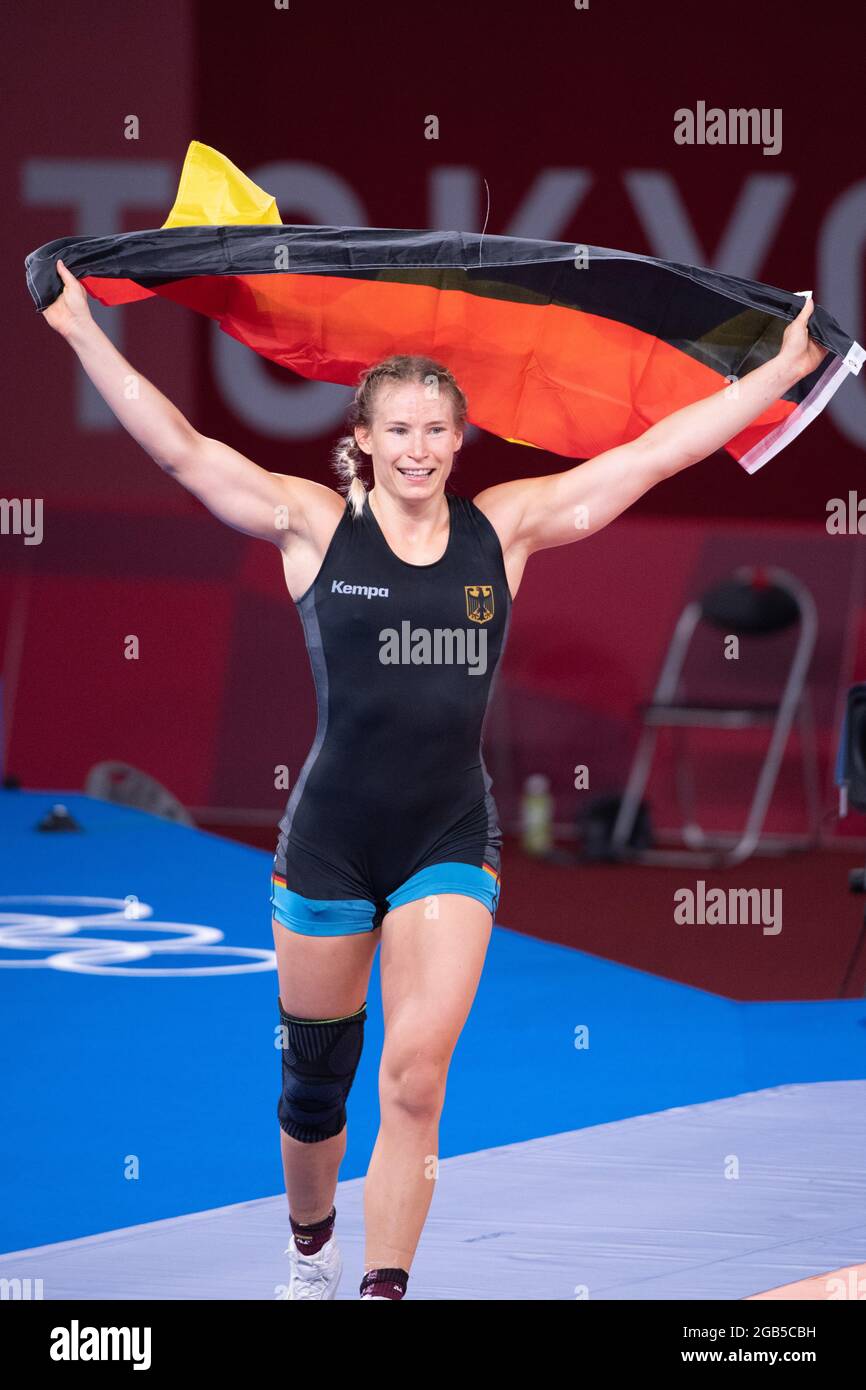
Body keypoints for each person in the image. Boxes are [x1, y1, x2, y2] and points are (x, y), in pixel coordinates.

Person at [42, 258, 827, 1299]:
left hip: (446, 839)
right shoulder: (313, 525)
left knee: (414, 1076)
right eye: (396, 428)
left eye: (435, 428)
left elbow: (645, 456)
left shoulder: (500, 530)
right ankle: (310, 1247)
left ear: (460, 439)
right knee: (313, 1090)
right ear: (361, 438)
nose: (417, 447)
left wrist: (780, 367)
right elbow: (184, 452)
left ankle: (383, 1285)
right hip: (325, 843)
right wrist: (80, 330)